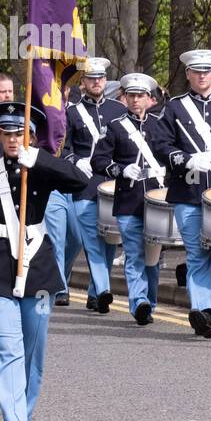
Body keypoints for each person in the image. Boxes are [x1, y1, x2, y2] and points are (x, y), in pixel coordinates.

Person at [0, 102, 88, 421]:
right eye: (8, 133)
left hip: (40, 269)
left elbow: (81, 183)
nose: (14, 139)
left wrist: (42, 160)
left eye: (21, 133)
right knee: (9, 347)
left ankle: (24, 418)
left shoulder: (40, 167)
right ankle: (13, 420)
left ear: (30, 136)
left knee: (34, 350)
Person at [152, 49, 211, 337]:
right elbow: (160, 145)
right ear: (189, 74)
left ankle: (209, 311)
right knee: (196, 252)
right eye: (197, 71)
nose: (202, 76)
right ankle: (202, 309)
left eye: (207, 71)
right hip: (187, 191)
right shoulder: (175, 108)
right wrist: (186, 158)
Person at [91, 73, 168, 325]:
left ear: (149, 99)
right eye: (131, 96)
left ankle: (150, 301)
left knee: (153, 258)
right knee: (134, 254)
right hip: (128, 200)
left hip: (157, 200)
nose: (135, 100)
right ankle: (140, 302)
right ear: (124, 98)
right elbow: (98, 161)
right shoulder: (114, 126)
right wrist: (120, 169)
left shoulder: (161, 125)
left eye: (140, 96)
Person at [53, 58, 126, 312]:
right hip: (84, 182)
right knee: (91, 240)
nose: (96, 82)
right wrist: (76, 161)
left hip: (111, 182)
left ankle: (97, 292)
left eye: (100, 78)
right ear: (82, 82)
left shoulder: (118, 110)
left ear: (106, 81)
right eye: (91, 78)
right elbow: (64, 147)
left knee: (109, 241)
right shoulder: (71, 112)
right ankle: (101, 289)